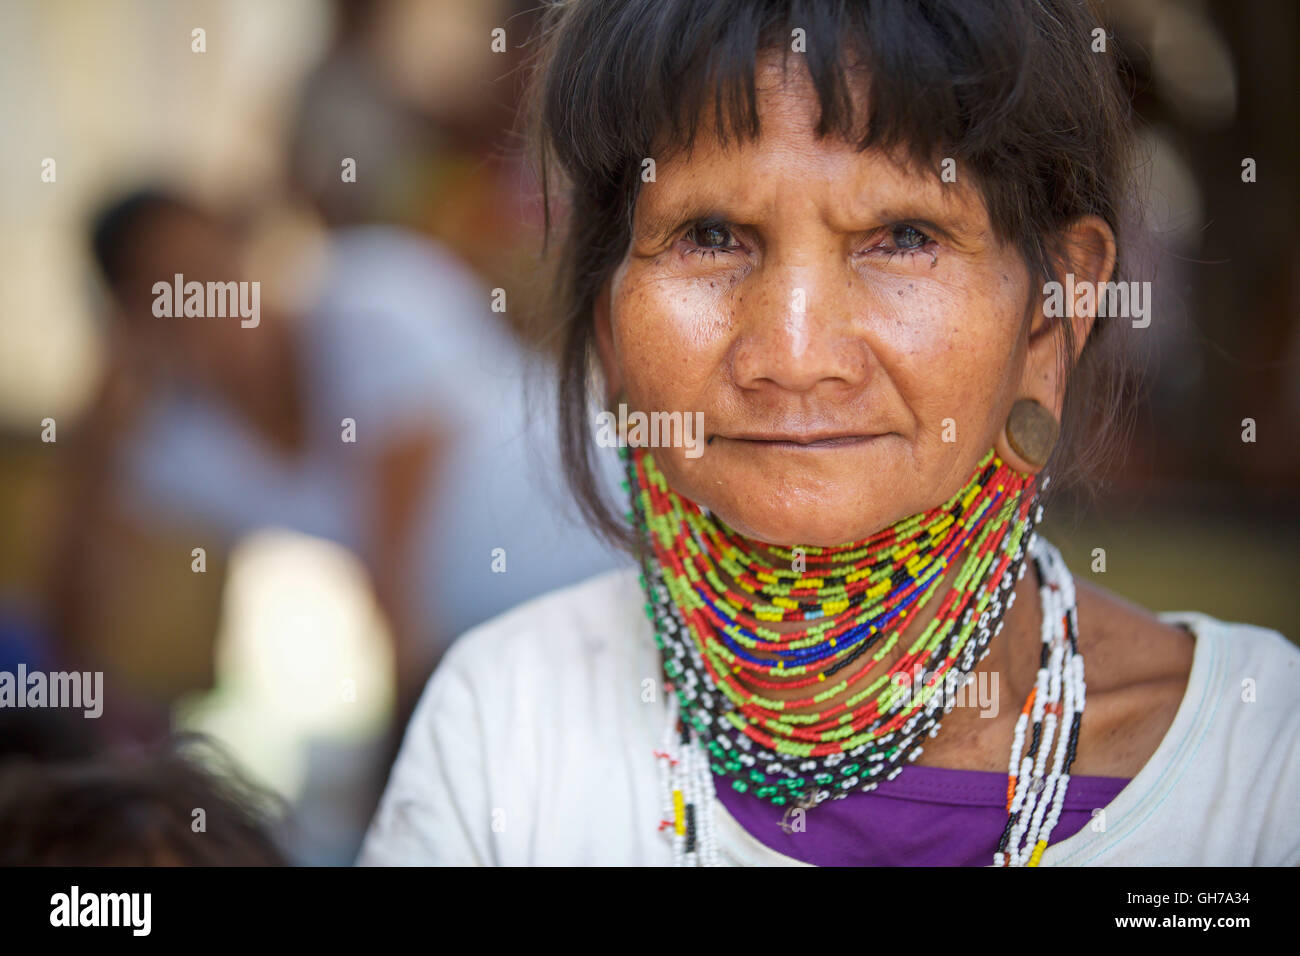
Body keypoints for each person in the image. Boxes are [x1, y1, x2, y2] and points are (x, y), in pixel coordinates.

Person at [359, 0, 1300, 866]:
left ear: (1052, 315)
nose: (796, 354)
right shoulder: (508, 725)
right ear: (610, 325)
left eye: (901, 236)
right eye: (711, 234)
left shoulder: (1259, 759)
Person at [66, 191, 623, 726]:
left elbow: (395, 574)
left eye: (210, 268)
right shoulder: (188, 443)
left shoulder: (370, 294)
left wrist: (411, 718)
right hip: (525, 650)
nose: (208, 298)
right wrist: (101, 416)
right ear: (136, 323)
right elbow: (80, 584)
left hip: (632, 545)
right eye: (171, 291)